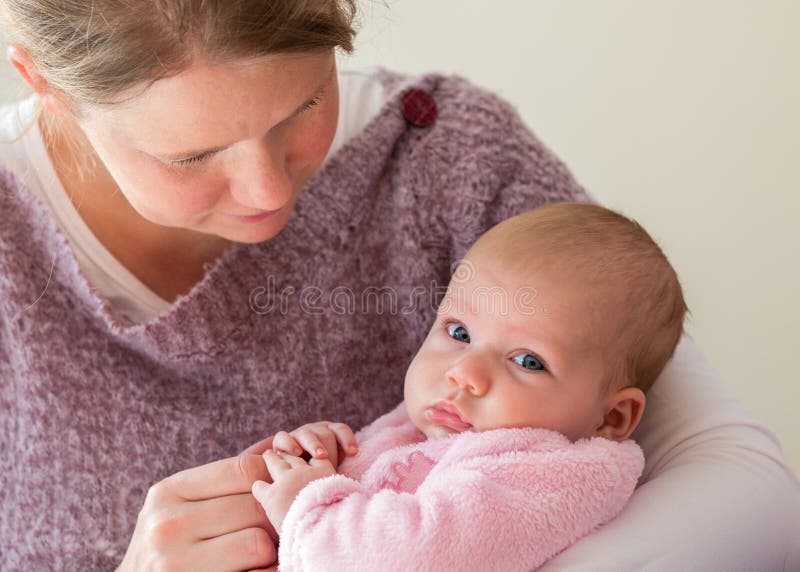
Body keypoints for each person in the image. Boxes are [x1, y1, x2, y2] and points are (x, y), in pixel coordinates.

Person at [0, 1, 797, 571]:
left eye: (302, 107)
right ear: (44, 82)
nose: (268, 191)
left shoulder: (447, 157)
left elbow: (749, 494)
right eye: (191, 156)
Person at [250, 203, 683, 571]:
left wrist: (307, 503)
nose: (464, 372)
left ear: (611, 417)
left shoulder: (549, 476)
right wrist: (327, 458)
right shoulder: (433, 423)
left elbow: (402, 558)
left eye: (526, 361)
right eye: (458, 332)